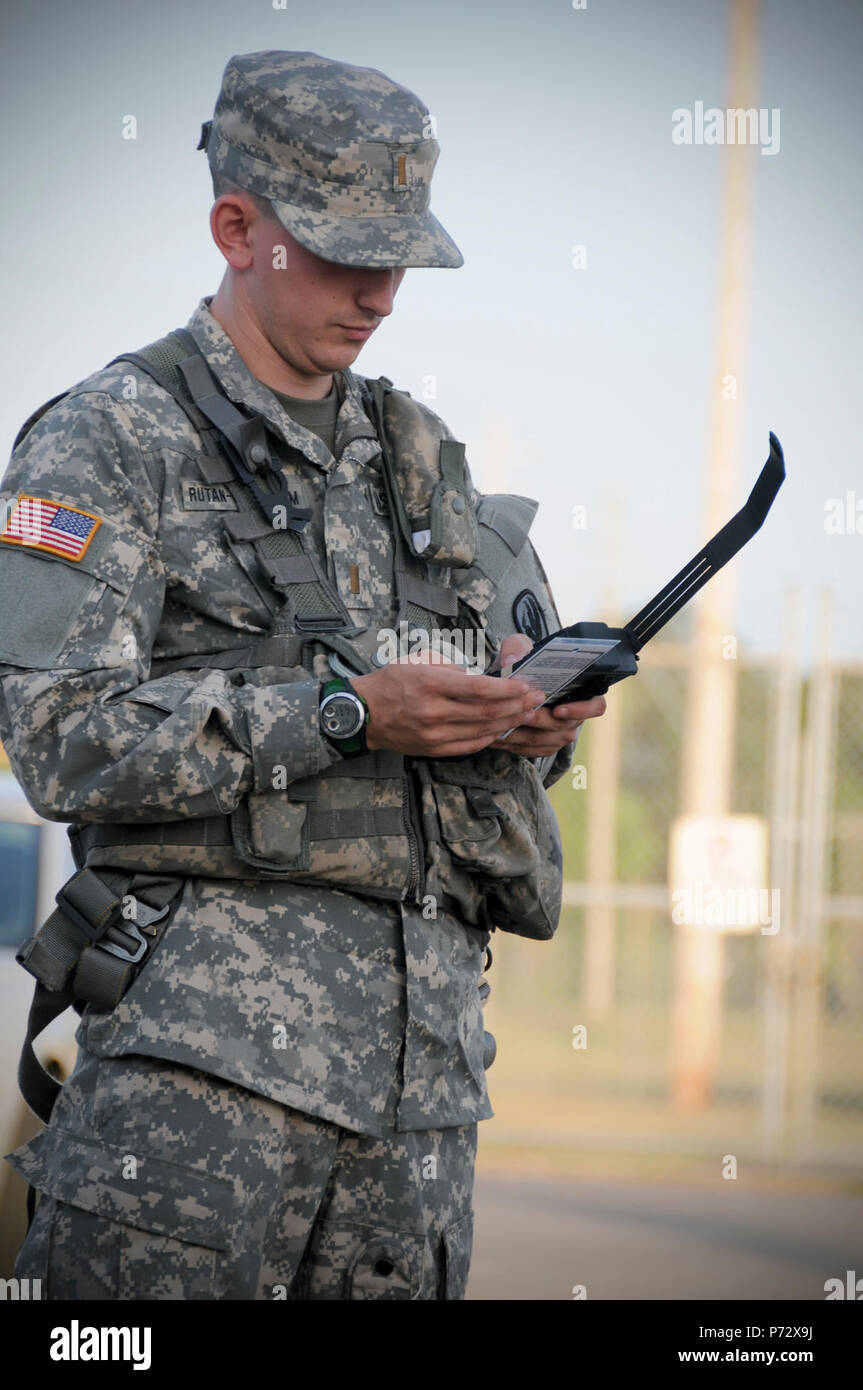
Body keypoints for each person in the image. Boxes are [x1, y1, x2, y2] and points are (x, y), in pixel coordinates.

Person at [0, 49, 605, 1300]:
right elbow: (59, 736)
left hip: (418, 1108)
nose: (379, 292)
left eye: (400, 258)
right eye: (341, 252)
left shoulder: (420, 457)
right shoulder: (108, 441)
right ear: (236, 227)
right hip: (197, 1102)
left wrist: (527, 708)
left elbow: (473, 718)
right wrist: (339, 711)